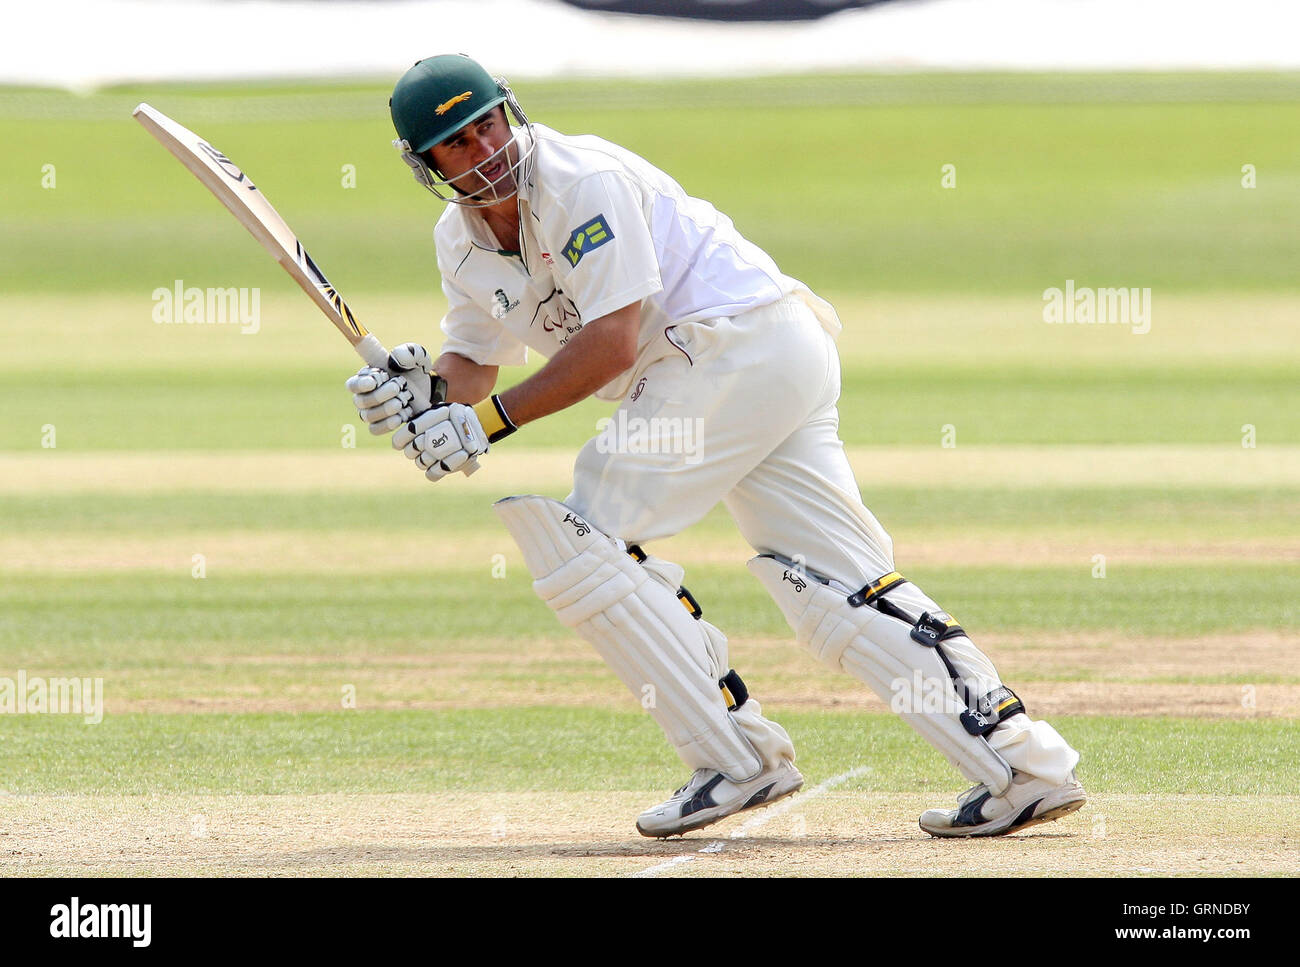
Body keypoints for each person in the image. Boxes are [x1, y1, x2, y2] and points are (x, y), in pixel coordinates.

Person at [347, 53, 1086, 838]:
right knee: (831, 584)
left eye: (487, 123)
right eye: (457, 143)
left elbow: (613, 344)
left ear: (509, 111)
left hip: (732, 348)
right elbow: (474, 360)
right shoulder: (457, 242)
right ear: (426, 165)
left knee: (582, 541)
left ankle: (738, 759)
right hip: (747, 362)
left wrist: (486, 423)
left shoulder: (581, 181)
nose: (485, 148)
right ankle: (1022, 766)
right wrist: (423, 396)